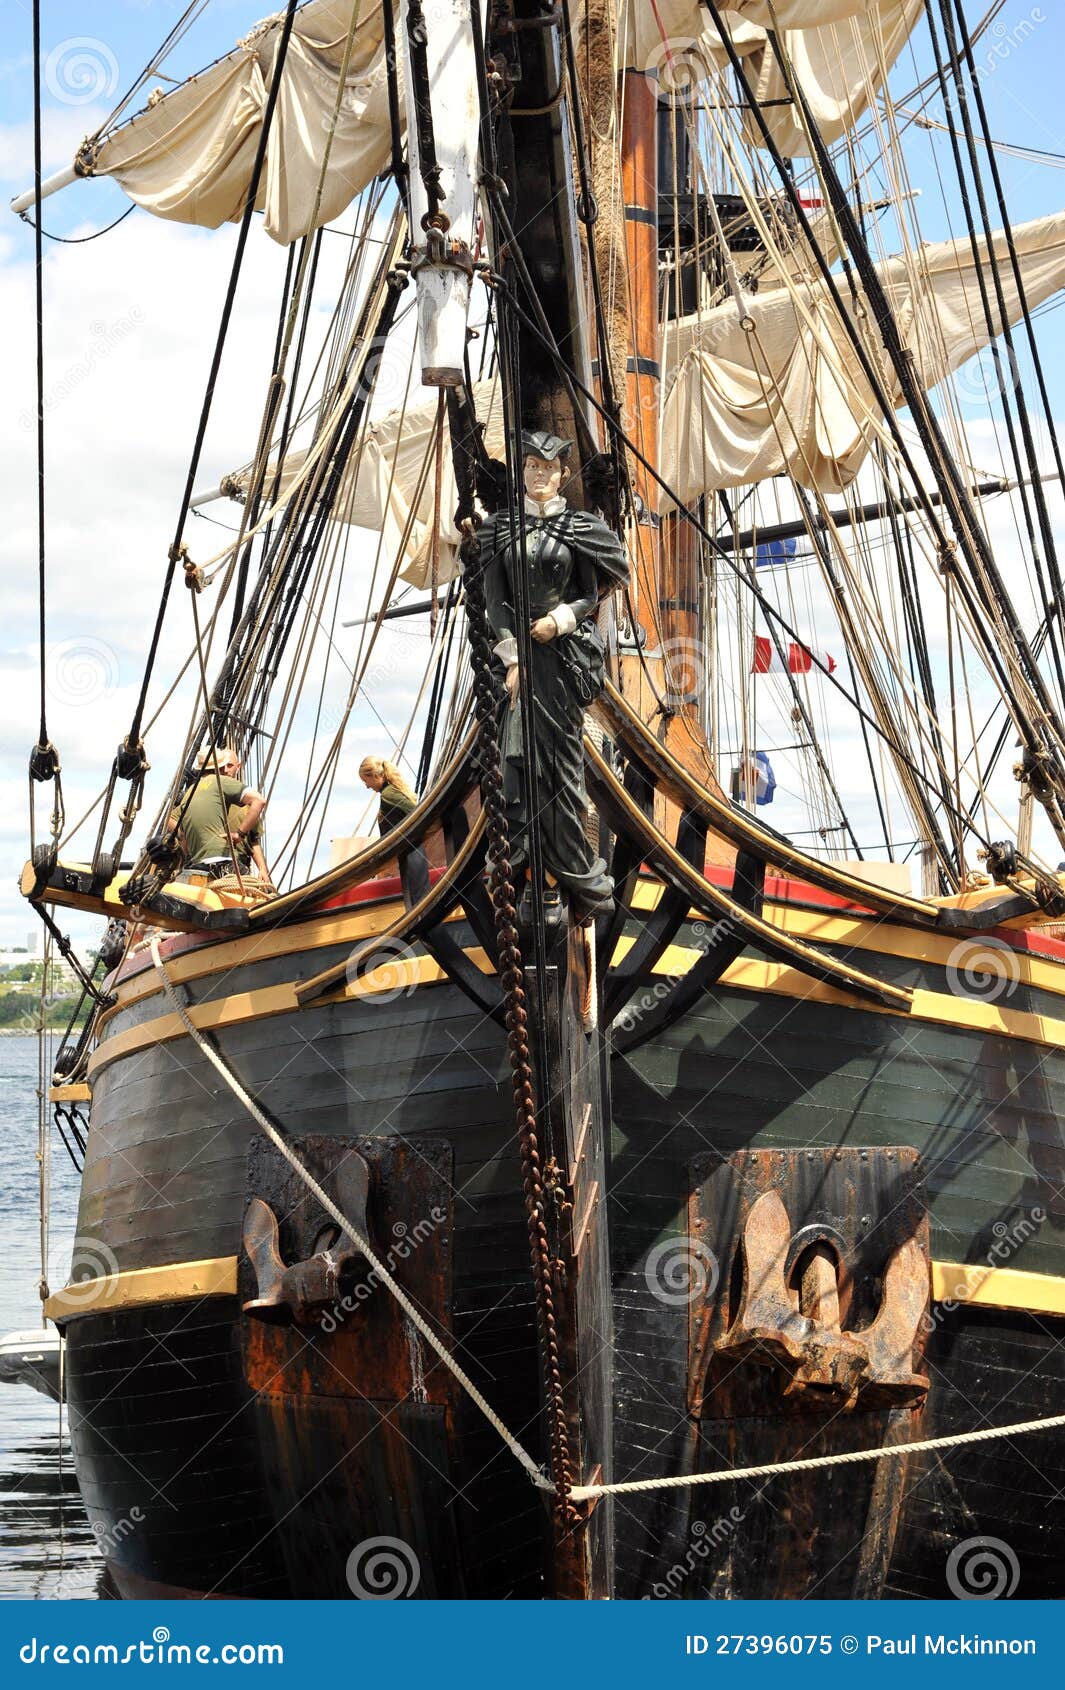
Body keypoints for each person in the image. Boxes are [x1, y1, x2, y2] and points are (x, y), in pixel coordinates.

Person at [478, 429, 629, 921]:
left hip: (562, 660)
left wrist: (559, 620)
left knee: (563, 764)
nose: (539, 474)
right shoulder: (501, 530)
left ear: (563, 473)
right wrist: (513, 657)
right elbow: (494, 601)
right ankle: (518, 859)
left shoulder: (580, 528)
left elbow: (592, 592)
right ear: (522, 472)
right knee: (515, 759)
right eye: (530, 467)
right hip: (519, 664)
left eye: (548, 468)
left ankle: (573, 865)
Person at [178, 748, 269, 882]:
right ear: (220, 767)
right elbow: (259, 801)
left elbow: (183, 835)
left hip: (198, 865)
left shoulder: (189, 793)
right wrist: (240, 834)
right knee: (263, 894)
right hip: (222, 861)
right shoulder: (221, 782)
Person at [358, 756, 418, 838]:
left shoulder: (388, 794)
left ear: (375, 776)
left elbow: (416, 812)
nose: (367, 786)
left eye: (366, 781)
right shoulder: (392, 790)